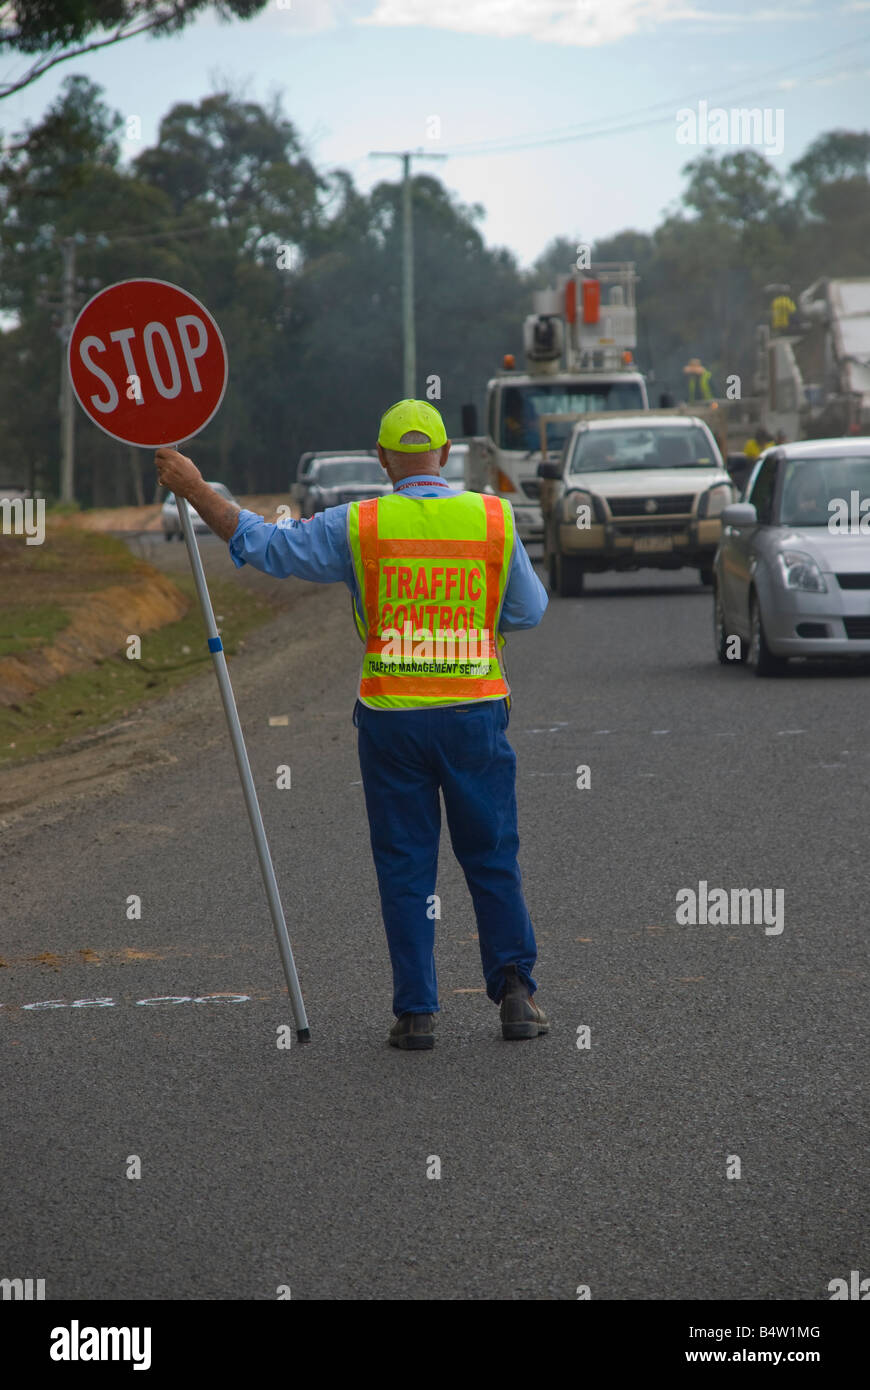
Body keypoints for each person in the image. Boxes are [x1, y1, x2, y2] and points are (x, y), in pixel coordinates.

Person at [154, 399, 549, 1052]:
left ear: (383, 459)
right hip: (474, 717)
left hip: (392, 723)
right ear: (447, 456)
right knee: (492, 857)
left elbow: (265, 547)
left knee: (405, 866)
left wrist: (196, 489)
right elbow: (529, 612)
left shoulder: (360, 525)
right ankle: (515, 994)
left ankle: (418, 1013)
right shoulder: (492, 517)